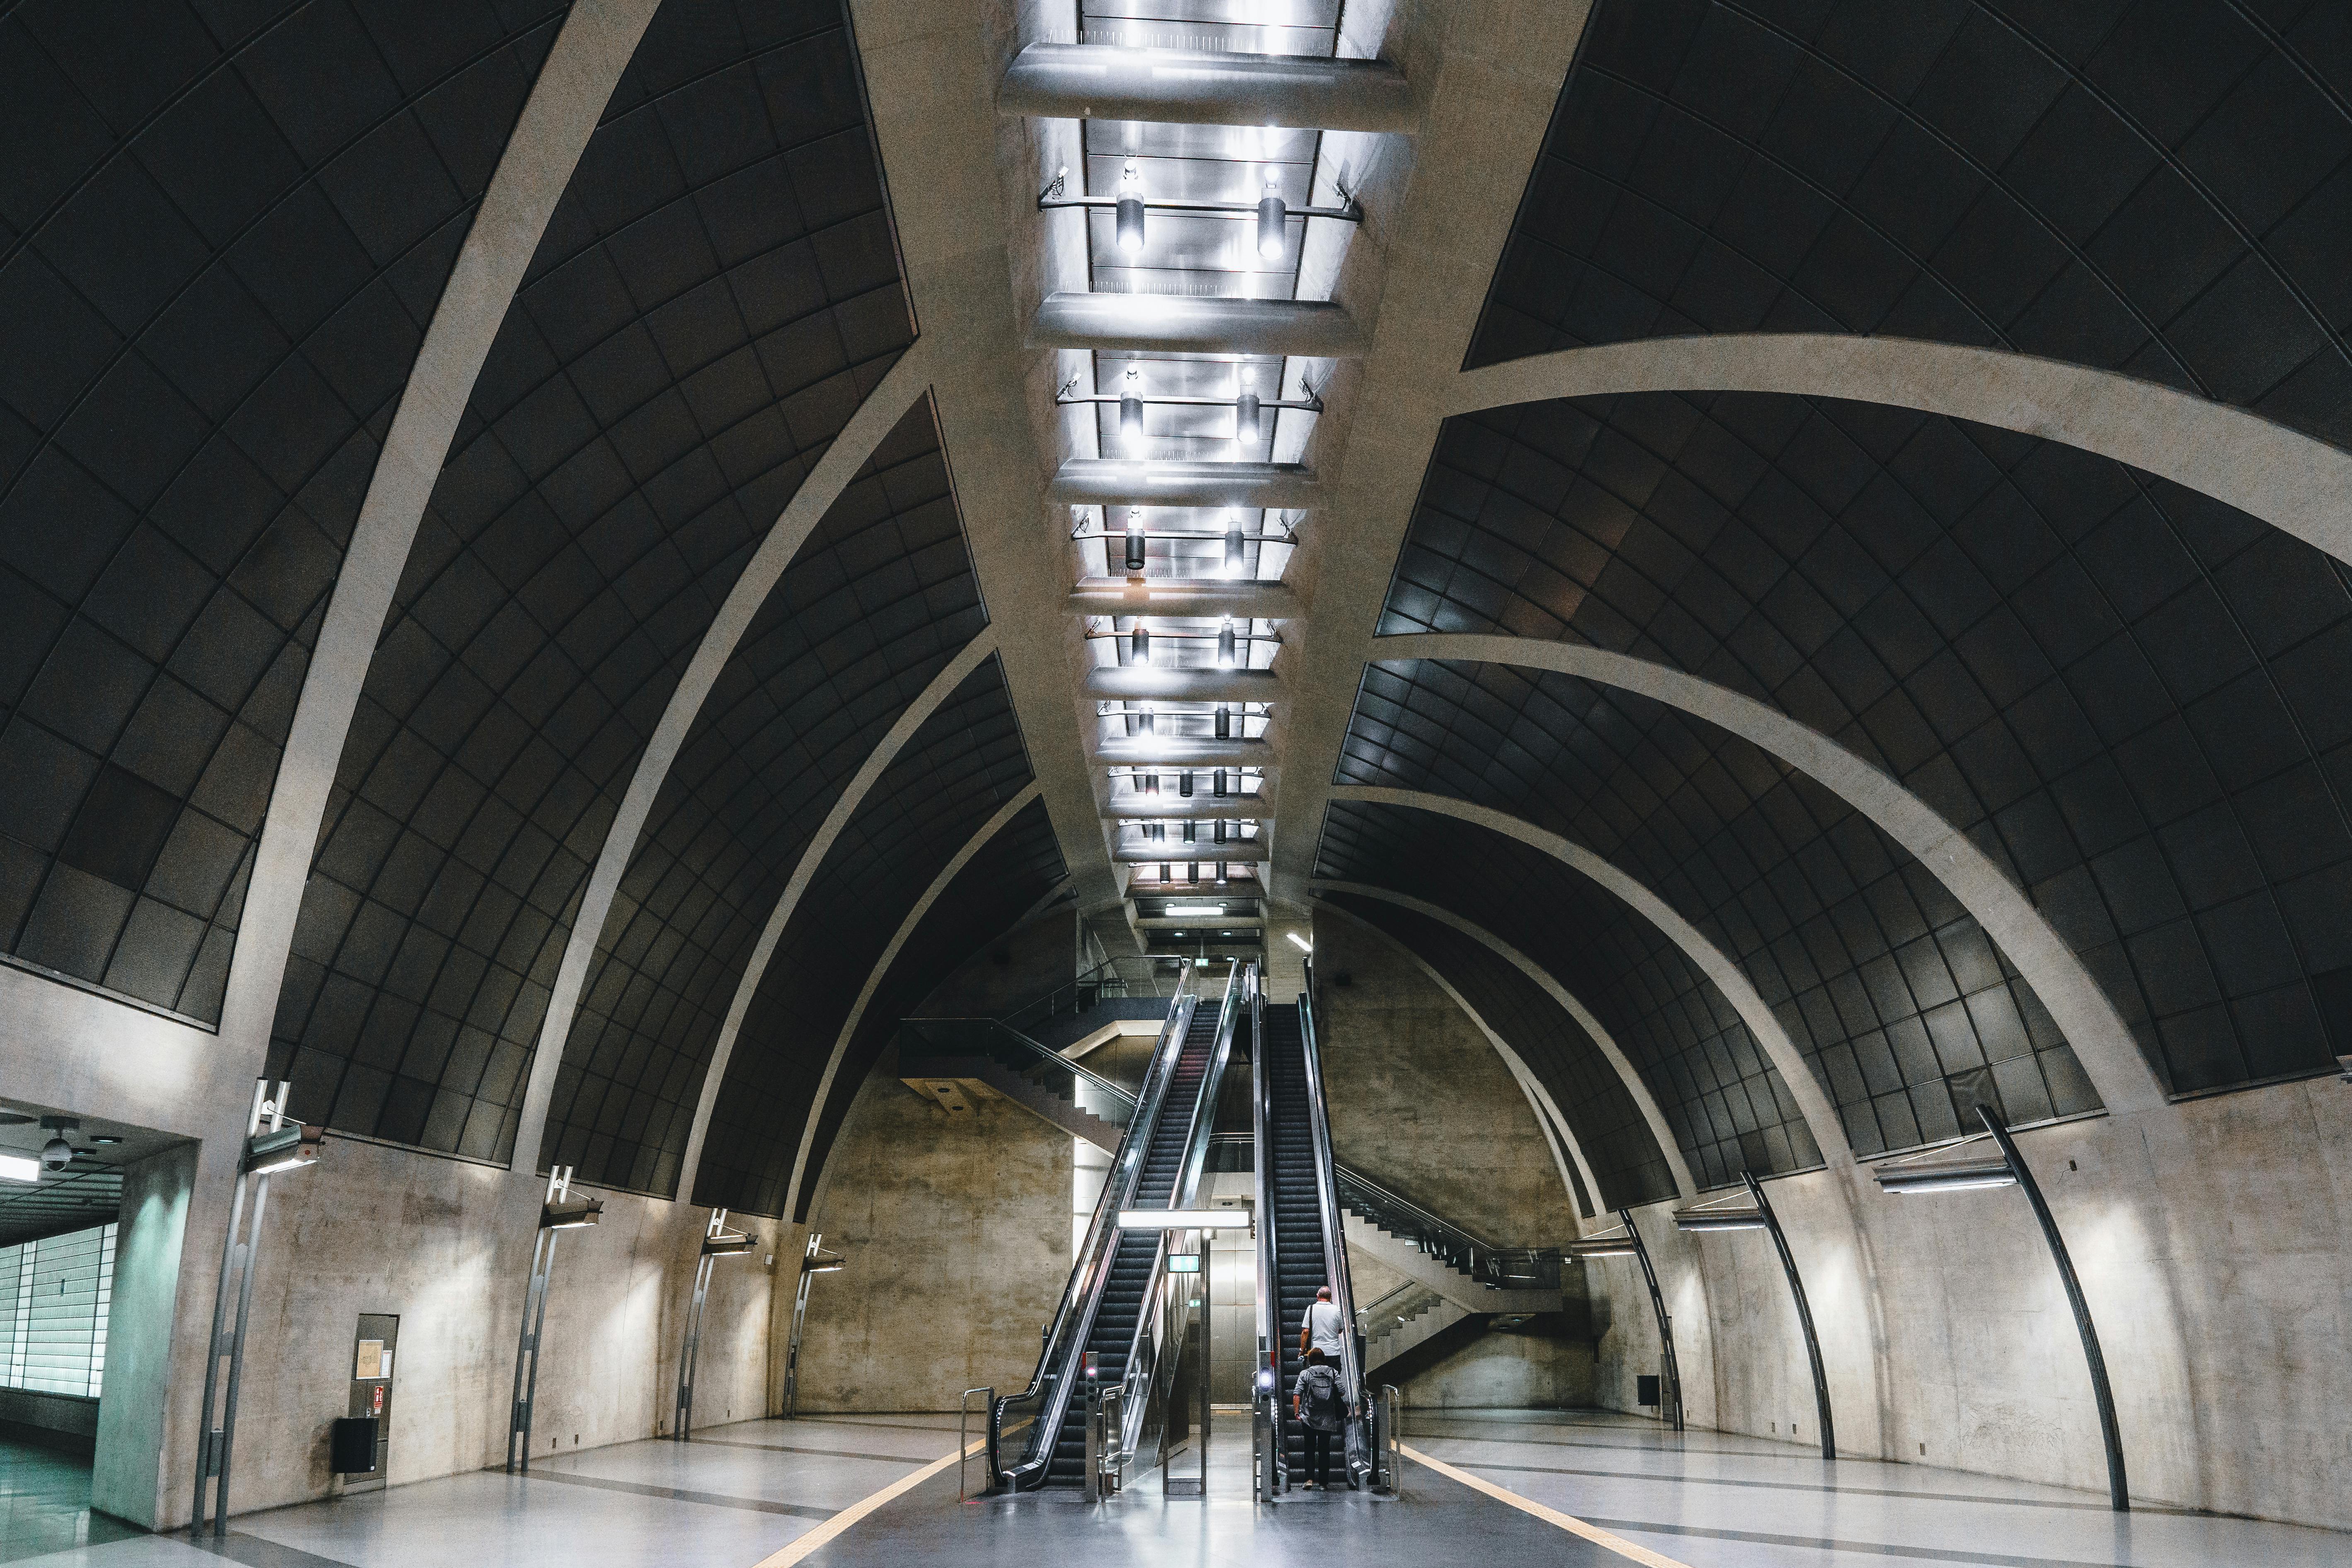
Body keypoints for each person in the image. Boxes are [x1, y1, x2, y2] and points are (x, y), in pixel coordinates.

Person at [1291, 1347, 1345, 1490]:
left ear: (1310, 1360)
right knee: (1324, 1449)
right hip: (1327, 1417)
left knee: (1309, 1448)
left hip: (1309, 1416)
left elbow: (1297, 1394)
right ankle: (1323, 1483)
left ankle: (1309, 1480)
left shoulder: (1305, 1374)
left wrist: (1297, 1413)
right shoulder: (1333, 1372)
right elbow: (1342, 1391)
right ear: (1324, 1358)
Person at [1300, 1284, 1346, 1362]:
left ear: (1318, 1296)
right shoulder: (1336, 1310)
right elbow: (1340, 1330)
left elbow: (1306, 1332)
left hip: (1316, 1353)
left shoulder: (1311, 1309)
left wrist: (1302, 1351)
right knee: (1333, 1374)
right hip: (1333, 1352)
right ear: (1330, 1297)